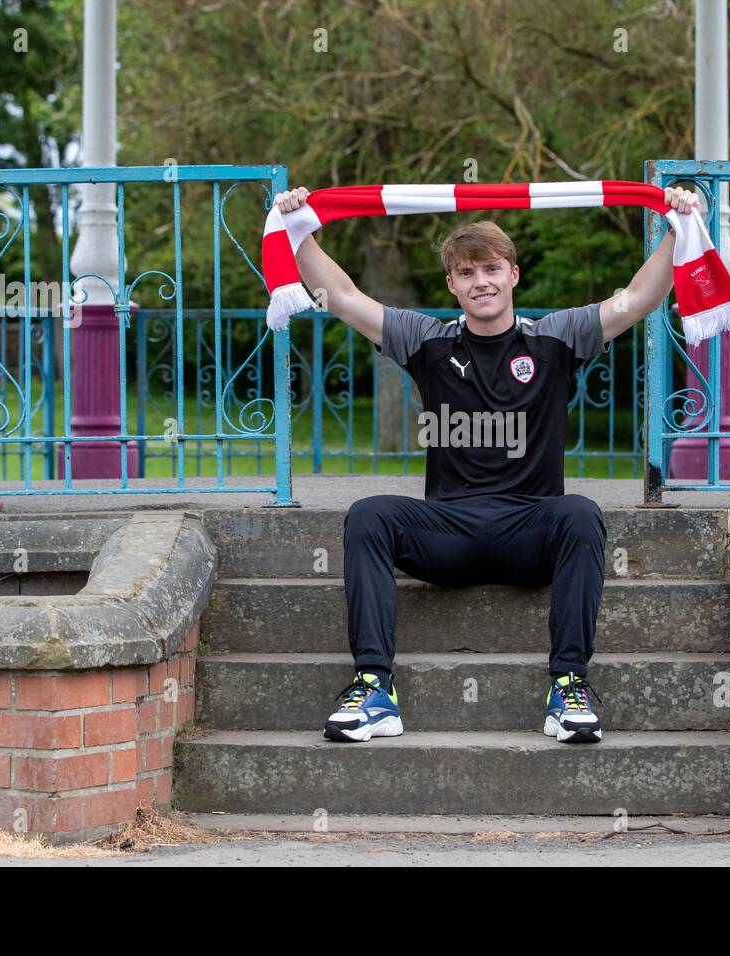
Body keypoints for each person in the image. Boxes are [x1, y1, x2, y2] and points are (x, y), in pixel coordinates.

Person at [271, 184, 700, 743]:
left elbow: (640, 299)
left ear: (513, 275)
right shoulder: (425, 340)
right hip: (449, 532)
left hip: (531, 532)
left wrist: (679, 225)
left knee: (581, 514)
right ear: (452, 285)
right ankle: (374, 688)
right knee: (368, 515)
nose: (482, 283)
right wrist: (297, 225)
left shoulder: (557, 336)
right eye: (468, 274)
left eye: (492, 269)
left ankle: (568, 687)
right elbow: (345, 295)